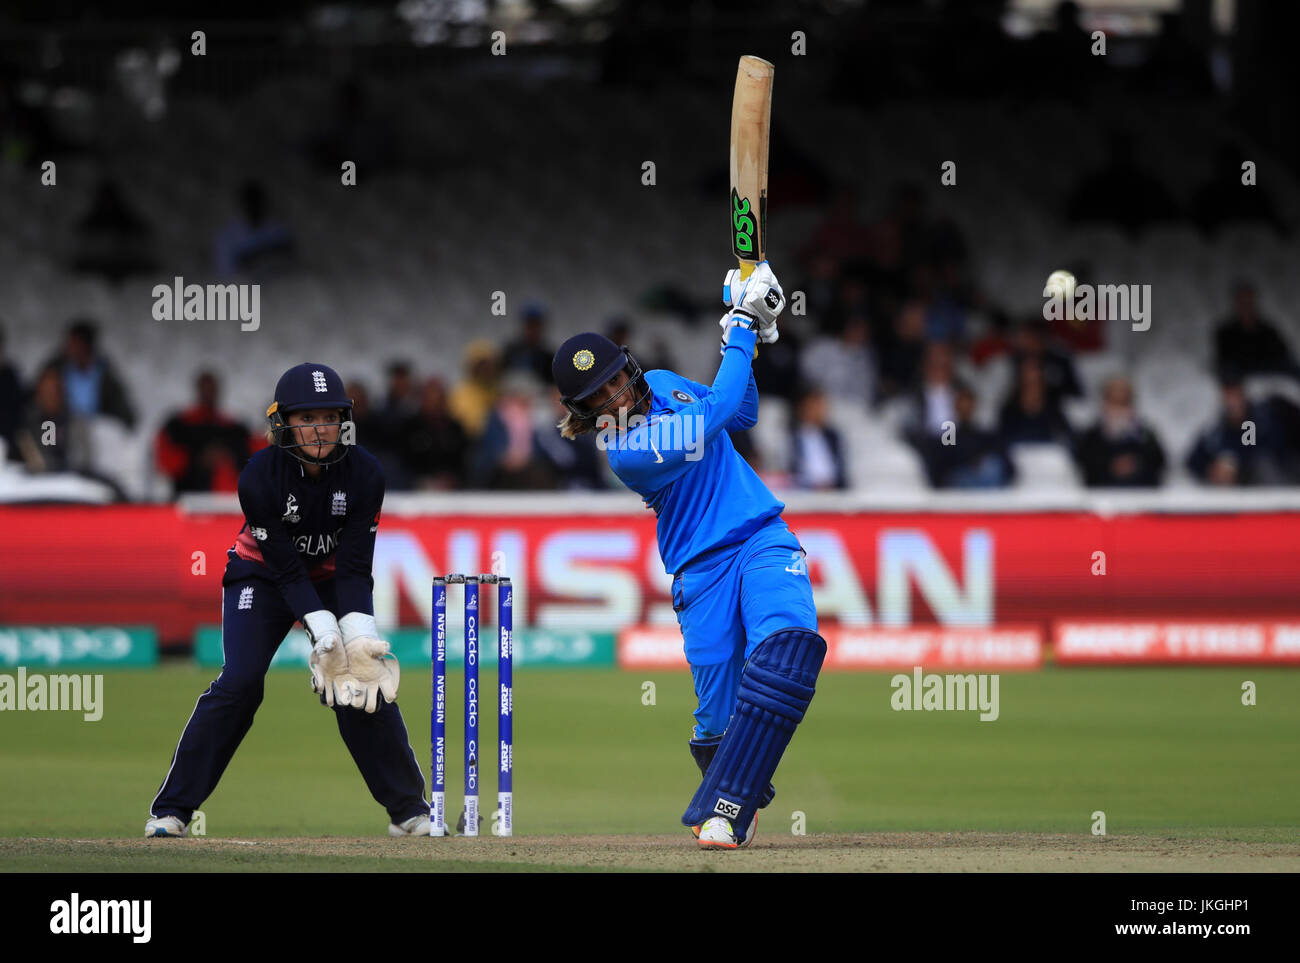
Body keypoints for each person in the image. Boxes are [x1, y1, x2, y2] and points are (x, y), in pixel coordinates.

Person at [551, 262, 825, 850]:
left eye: (614, 380)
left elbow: (742, 409)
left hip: (761, 539)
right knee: (717, 721)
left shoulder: (670, 382)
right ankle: (735, 787)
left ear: (630, 366)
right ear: (585, 413)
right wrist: (740, 327)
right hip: (701, 575)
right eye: (596, 397)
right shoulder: (626, 451)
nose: (614, 396)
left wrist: (752, 335)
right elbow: (721, 410)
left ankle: (726, 803)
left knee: (787, 649)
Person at [146, 363, 427, 838]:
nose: (320, 430)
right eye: (307, 418)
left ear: (345, 421)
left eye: (330, 418)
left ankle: (409, 813)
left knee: (359, 682)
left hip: (335, 580)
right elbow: (285, 568)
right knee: (241, 682)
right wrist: (322, 629)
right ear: (283, 423)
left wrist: (357, 633)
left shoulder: (365, 473)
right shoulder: (258, 476)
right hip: (262, 577)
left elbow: (356, 567)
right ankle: (171, 811)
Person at [154, 371, 264, 495]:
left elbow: (260, 457)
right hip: (188, 502)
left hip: (232, 503)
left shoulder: (235, 428)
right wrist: (197, 459)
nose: (208, 393)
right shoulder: (178, 425)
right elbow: (165, 462)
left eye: (212, 389)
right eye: (205, 388)